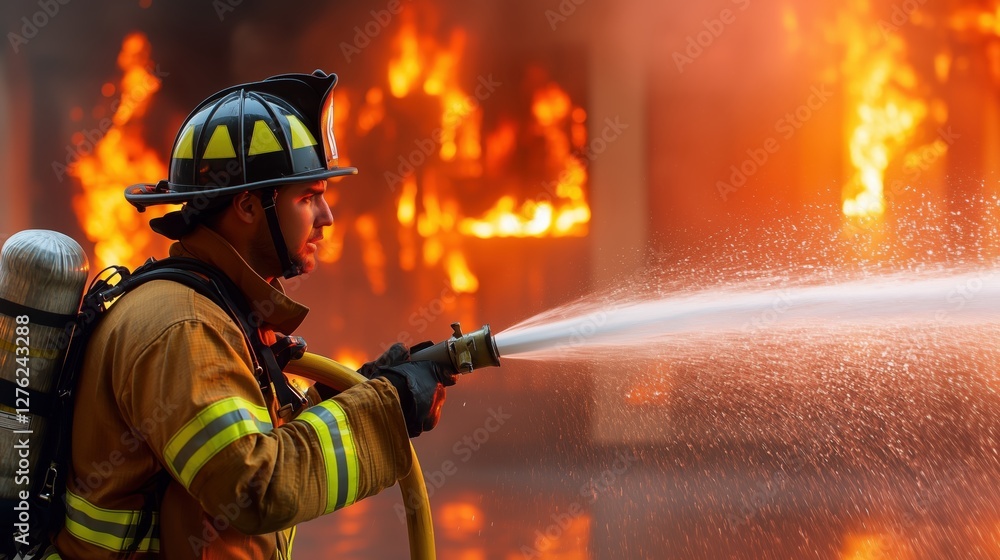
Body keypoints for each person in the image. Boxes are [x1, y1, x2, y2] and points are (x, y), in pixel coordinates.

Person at [47, 70, 455, 558]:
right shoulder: (184, 327)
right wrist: (386, 410)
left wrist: (350, 397)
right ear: (246, 205)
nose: (326, 218)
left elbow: (250, 445)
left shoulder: (210, 309)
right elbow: (252, 487)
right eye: (308, 198)